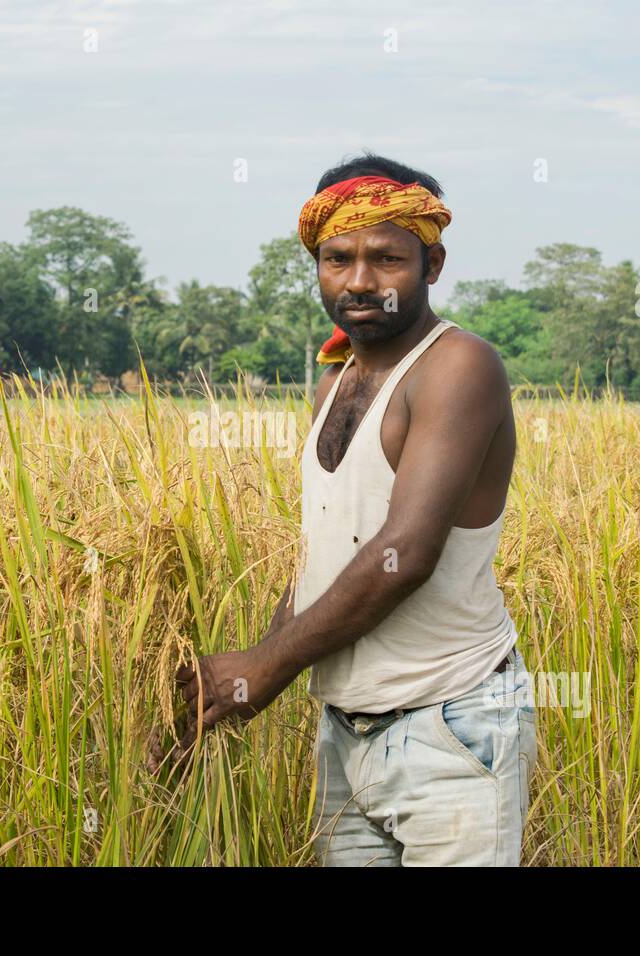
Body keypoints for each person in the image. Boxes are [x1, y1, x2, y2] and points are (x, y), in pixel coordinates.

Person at [173, 151, 536, 866]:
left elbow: (403, 556)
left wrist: (264, 668)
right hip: (347, 730)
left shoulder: (458, 367)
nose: (361, 281)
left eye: (387, 258)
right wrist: (227, 695)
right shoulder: (334, 383)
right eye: (337, 258)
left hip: (448, 725)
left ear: (432, 264)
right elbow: (325, 556)